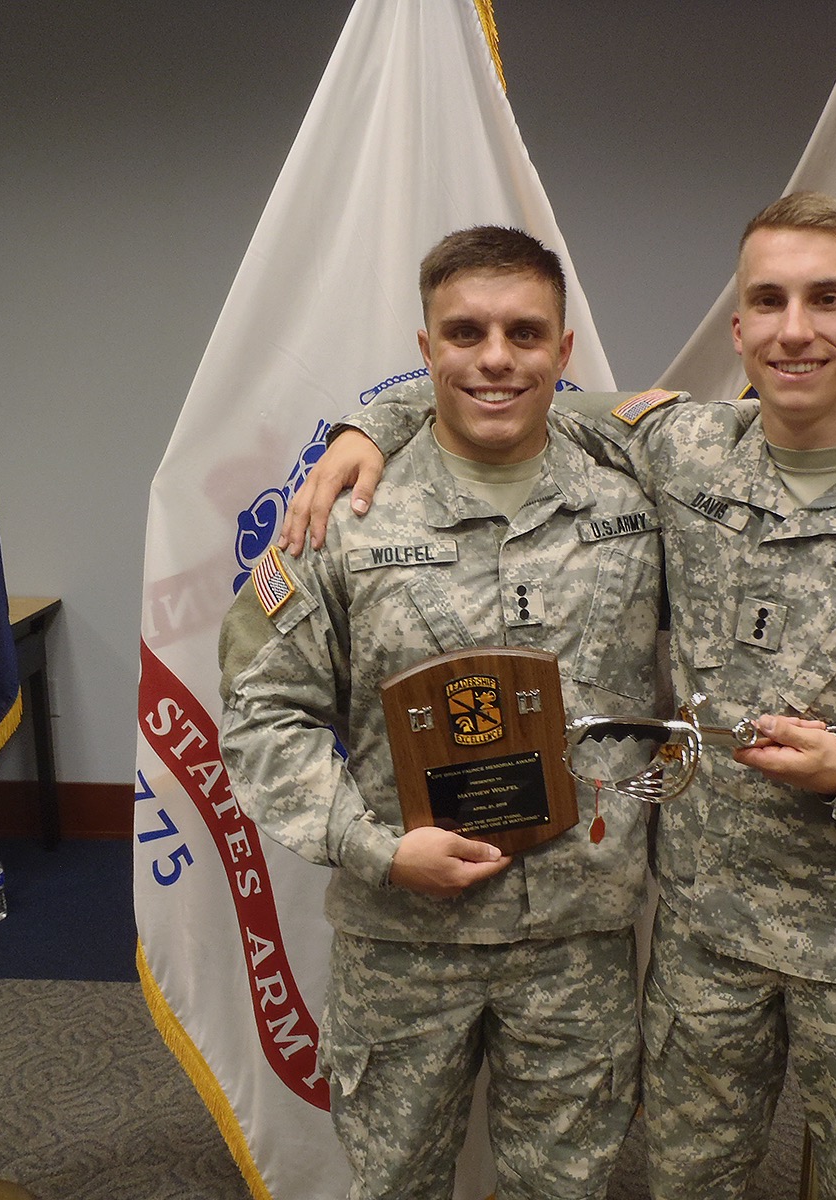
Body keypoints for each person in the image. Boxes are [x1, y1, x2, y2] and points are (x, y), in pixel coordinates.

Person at [281, 192, 836, 1199]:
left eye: (826, 299)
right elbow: (509, 388)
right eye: (769, 301)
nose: (797, 328)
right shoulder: (684, 452)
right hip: (703, 944)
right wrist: (367, 424)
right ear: (740, 326)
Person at [217, 226, 667, 1200]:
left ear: (563, 350)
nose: (496, 356)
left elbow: (787, 445)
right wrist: (375, 848)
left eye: (523, 332)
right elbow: (260, 714)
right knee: (396, 1187)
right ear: (424, 352)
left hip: (576, 940)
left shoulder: (642, 501)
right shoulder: (337, 516)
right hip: (402, 937)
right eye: (464, 332)